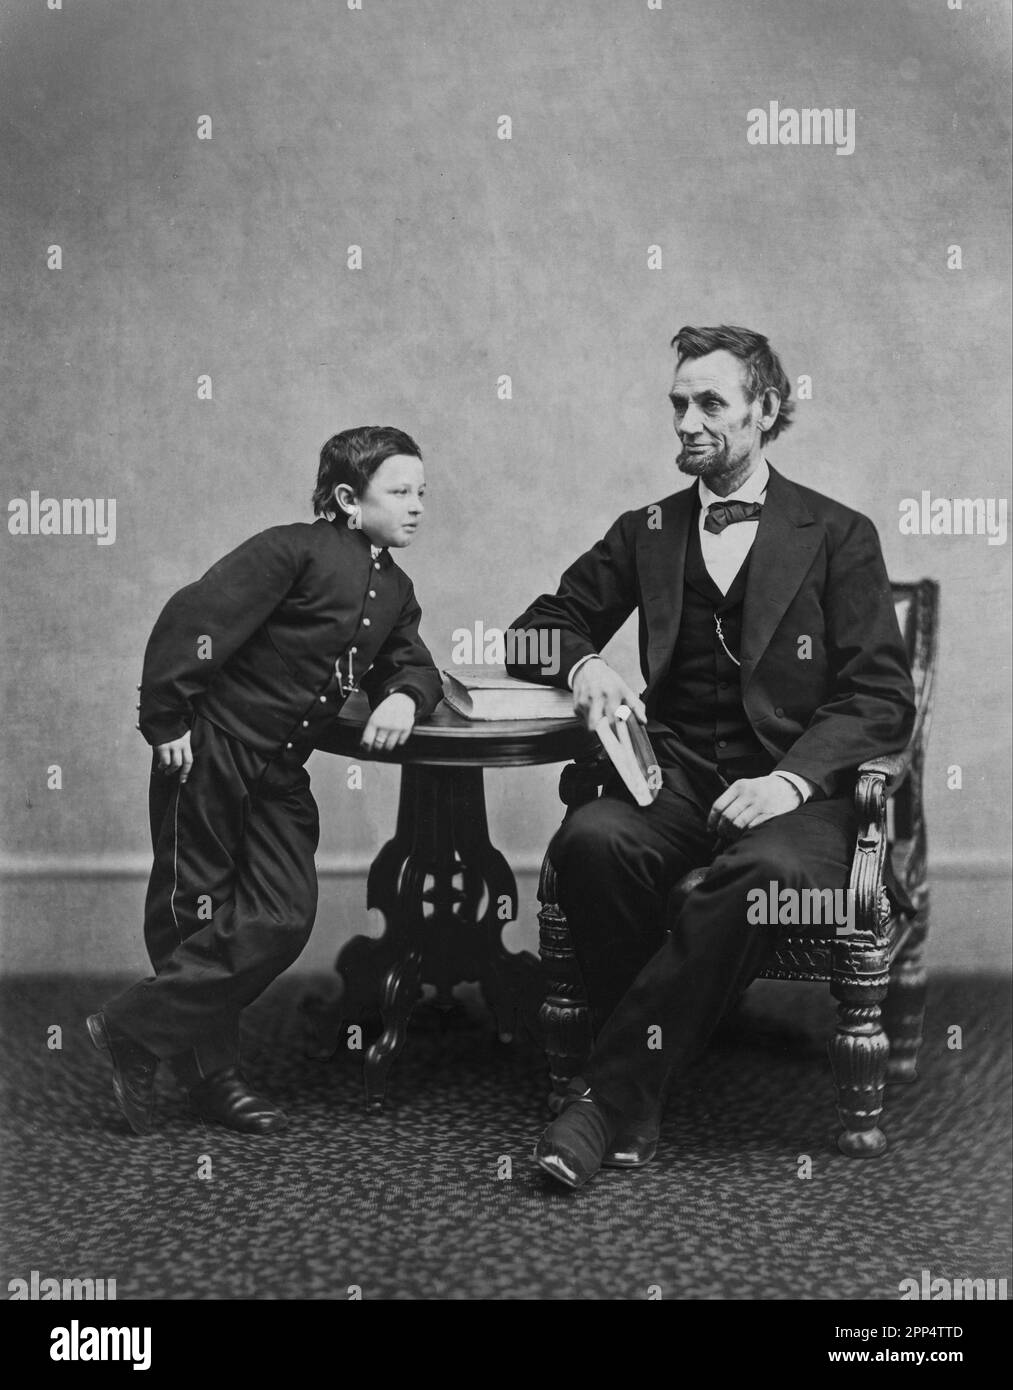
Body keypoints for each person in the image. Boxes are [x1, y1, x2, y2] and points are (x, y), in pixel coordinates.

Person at [506, 325, 915, 1188]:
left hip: (800, 799)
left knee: (754, 878)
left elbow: (881, 697)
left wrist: (790, 780)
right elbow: (535, 628)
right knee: (592, 842)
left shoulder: (838, 534)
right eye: (677, 404)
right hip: (679, 774)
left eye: (710, 404)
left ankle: (605, 1100)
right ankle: (649, 1072)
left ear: (765, 410)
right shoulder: (646, 530)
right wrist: (582, 663)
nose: (687, 422)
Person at [88, 426, 442, 1135]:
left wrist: (403, 695)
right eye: (399, 492)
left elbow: (411, 663)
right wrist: (166, 722)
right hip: (211, 753)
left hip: (278, 771)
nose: (416, 507)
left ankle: (130, 1027)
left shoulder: (394, 590)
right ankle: (211, 1079)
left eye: (421, 493)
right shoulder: (294, 549)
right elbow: (192, 621)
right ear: (347, 498)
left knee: (282, 917)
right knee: (194, 912)